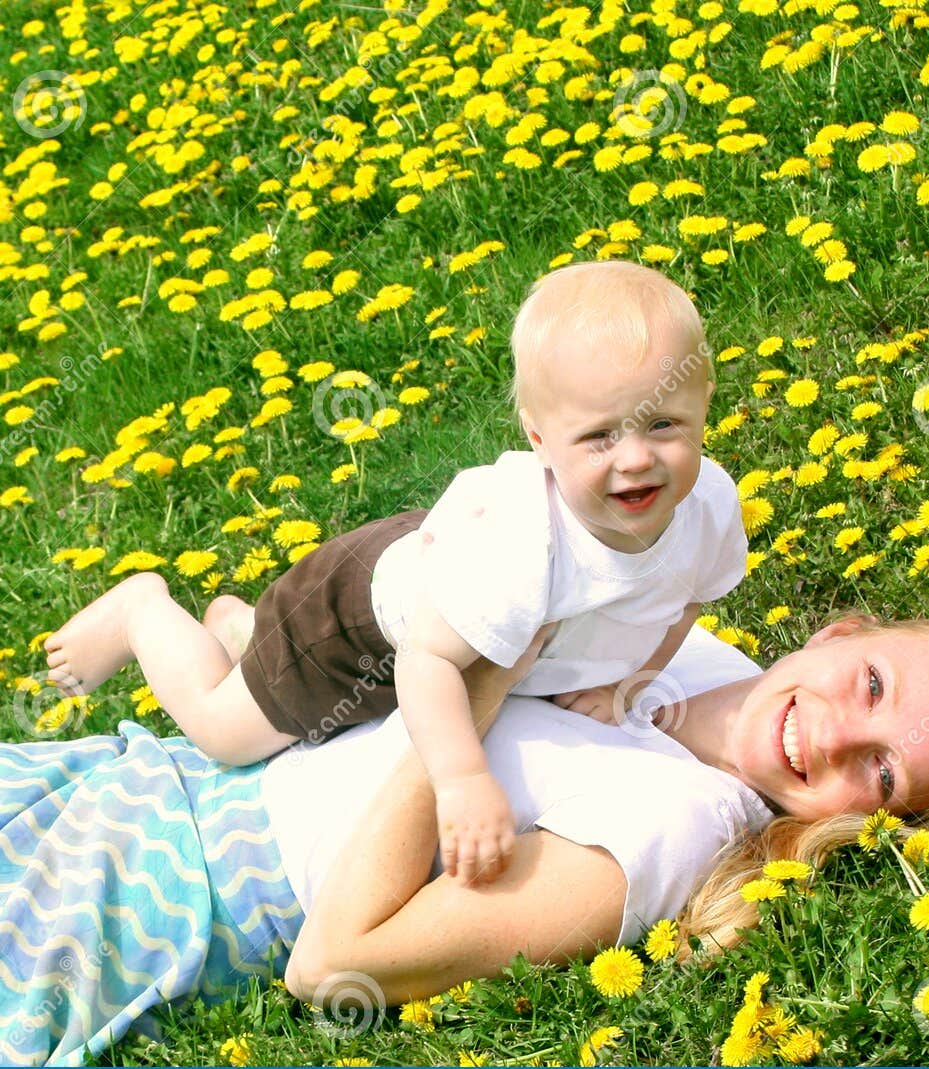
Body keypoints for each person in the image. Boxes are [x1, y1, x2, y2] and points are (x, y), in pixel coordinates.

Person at [0, 611, 929, 1066]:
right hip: (140, 774)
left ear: (875, 820)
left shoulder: (668, 830)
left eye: (882, 770)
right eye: (867, 684)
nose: (832, 734)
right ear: (842, 631)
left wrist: (471, 687)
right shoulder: (689, 636)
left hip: (157, 885)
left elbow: (334, 962)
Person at [38, 259, 747, 885]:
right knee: (227, 733)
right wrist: (462, 778)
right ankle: (142, 611)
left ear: (702, 400)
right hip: (359, 627)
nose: (636, 459)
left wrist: (627, 680)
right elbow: (428, 662)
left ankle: (246, 628)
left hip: (445, 578)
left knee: (281, 659)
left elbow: (688, 599)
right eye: (598, 435)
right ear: (539, 439)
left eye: (663, 425)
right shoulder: (525, 549)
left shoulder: (708, 505)